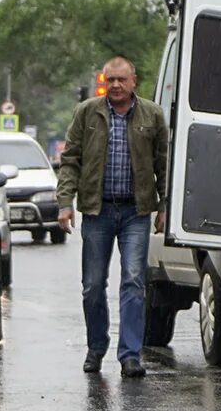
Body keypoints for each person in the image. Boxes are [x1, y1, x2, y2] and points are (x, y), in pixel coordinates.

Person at [55, 56, 169, 377]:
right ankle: (96, 347)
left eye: (122, 80)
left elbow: (164, 164)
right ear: (103, 82)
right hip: (97, 210)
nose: (116, 85)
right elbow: (70, 160)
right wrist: (65, 202)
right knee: (92, 286)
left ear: (134, 81)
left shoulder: (152, 115)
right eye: (111, 80)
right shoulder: (87, 113)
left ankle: (130, 355)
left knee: (133, 281)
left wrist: (165, 206)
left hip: (136, 211)